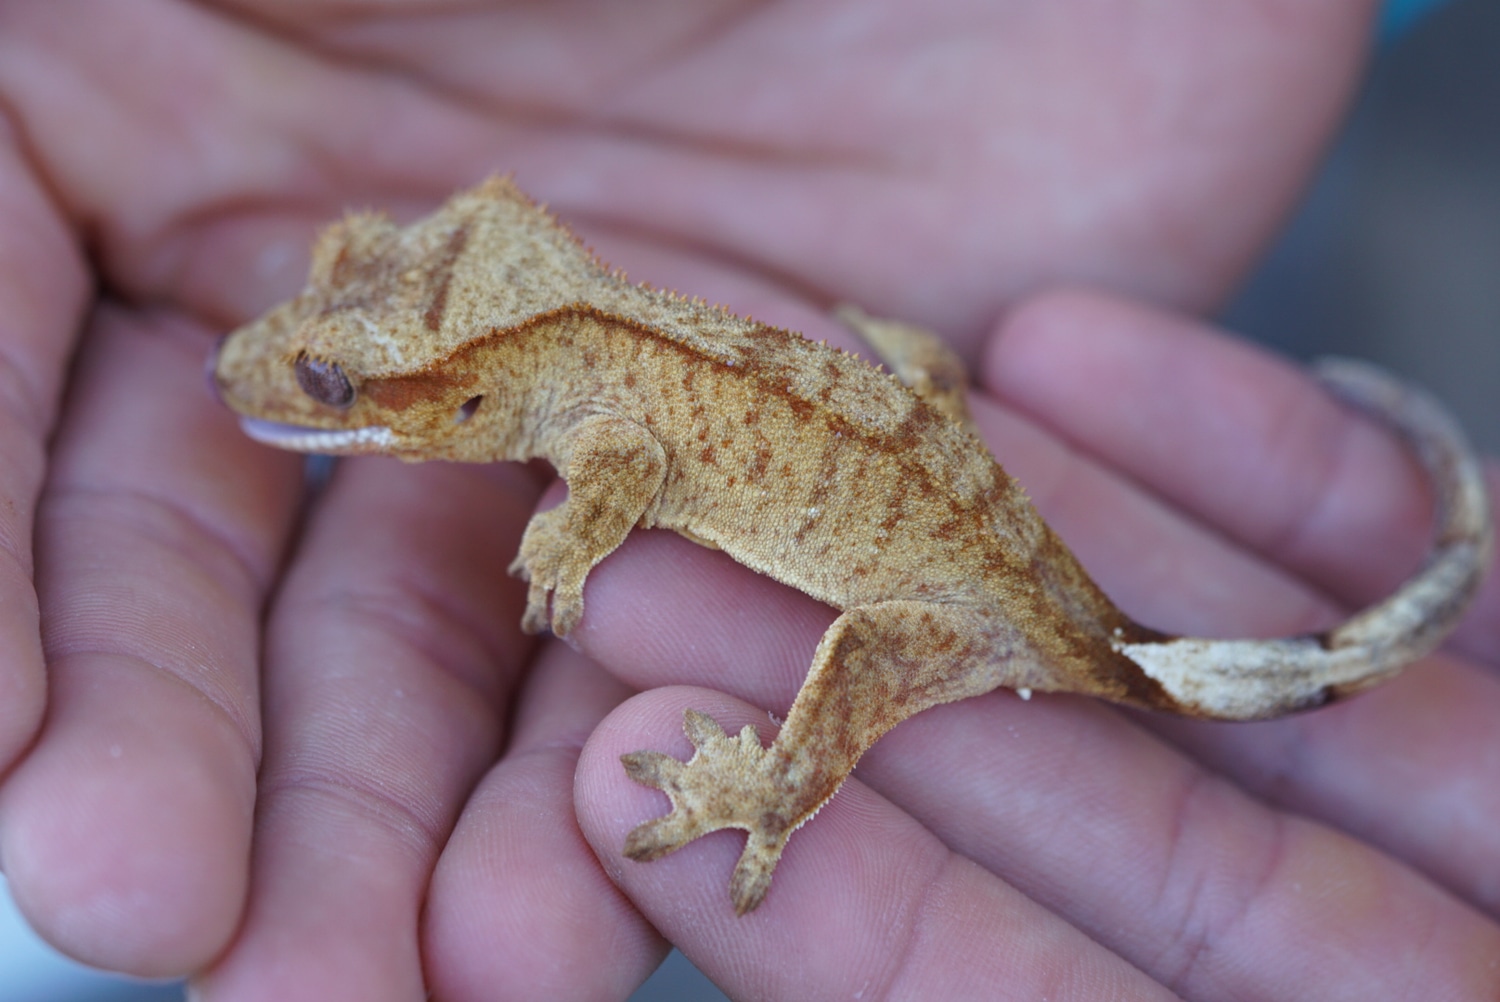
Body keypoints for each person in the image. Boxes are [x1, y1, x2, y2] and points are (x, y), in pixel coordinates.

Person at [0, 2, 1495, 998]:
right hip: (915, 443)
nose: (269, 368)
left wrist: (576, 541)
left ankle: (779, 788)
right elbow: (626, 442)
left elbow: (635, 466)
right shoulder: (573, 366)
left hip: (955, 596)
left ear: (456, 387)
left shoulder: (587, 409)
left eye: (332, 380)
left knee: (869, 658)